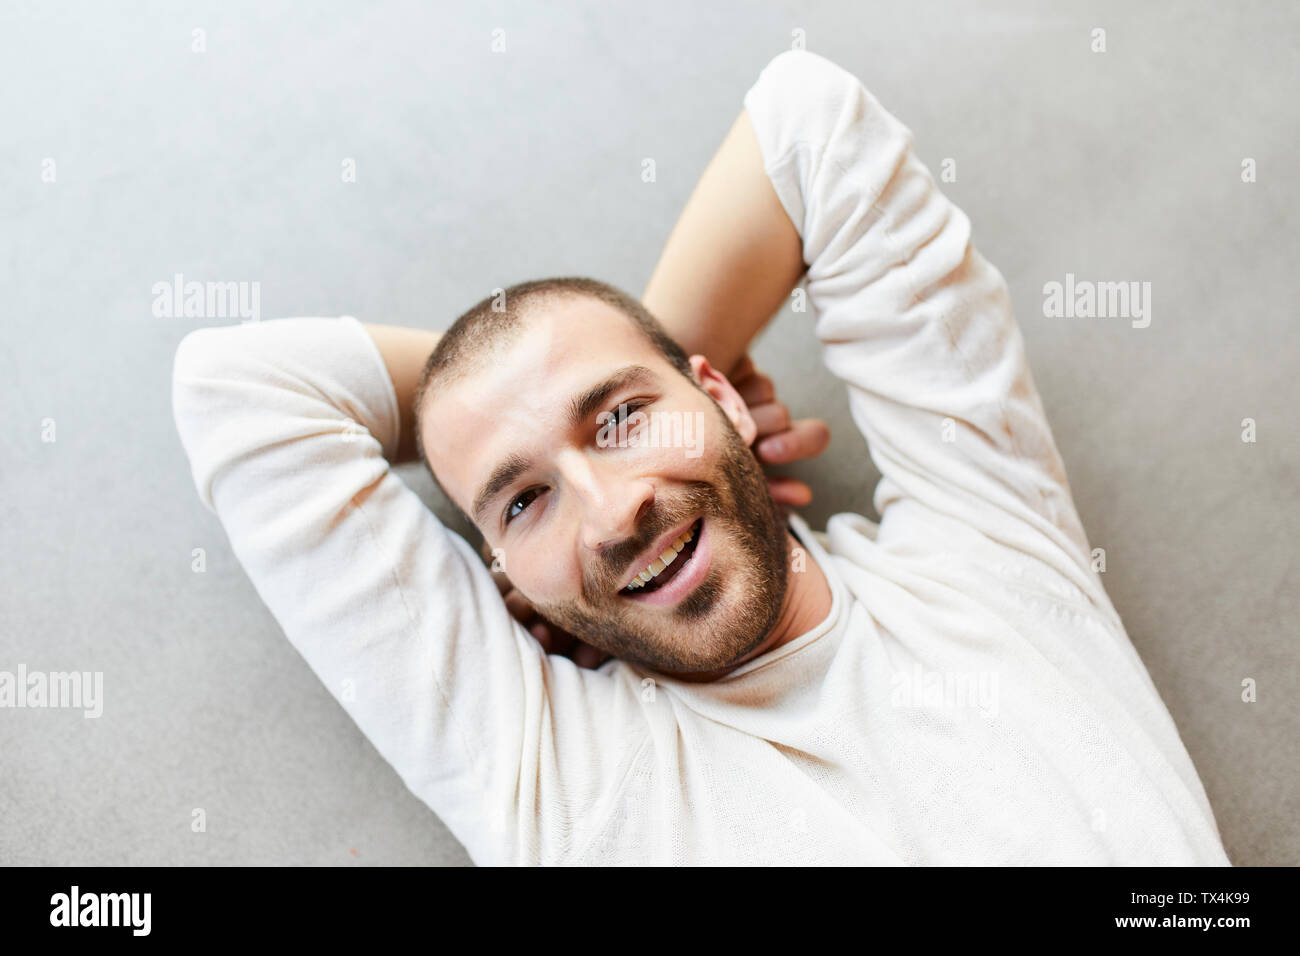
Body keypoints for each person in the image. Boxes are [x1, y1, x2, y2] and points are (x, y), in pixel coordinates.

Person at [172, 50, 1231, 865]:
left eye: (620, 418)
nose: (607, 510)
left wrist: (664, 368)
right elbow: (237, 396)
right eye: (523, 500)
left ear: (720, 390)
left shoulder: (987, 544)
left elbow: (809, 117)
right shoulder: (567, 792)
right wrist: (645, 394)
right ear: (501, 576)